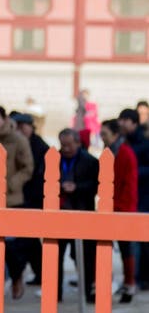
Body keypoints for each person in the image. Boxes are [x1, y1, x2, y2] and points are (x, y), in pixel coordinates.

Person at [0, 105, 34, 296]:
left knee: (11, 247)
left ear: (4, 120)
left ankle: (17, 276)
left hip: (12, 199)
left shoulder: (18, 140)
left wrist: (11, 183)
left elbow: (27, 167)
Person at [5, 113, 49, 294]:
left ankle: (32, 274)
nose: (22, 129)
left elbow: (38, 175)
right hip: (17, 198)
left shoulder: (40, 147)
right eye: (18, 125)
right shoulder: (14, 143)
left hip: (34, 198)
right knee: (25, 241)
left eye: (25, 126)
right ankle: (35, 274)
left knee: (26, 241)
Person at [57, 129, 99, 303]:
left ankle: (90, 289)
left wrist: (77, 187)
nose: (65, 149)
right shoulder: (54, 159)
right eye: (63, 145)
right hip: (60, 214)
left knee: (86, 255)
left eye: (69, 145)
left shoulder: (90, 161)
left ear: (78, 143)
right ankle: (55, 293)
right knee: (56, 254)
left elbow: (95, 185)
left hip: (83, 211)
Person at [100, 119, 138, 303]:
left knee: (125, 248)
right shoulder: (109, 151)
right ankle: (109, 282)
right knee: (105, 247)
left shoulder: (125, 154)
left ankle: (129, 283)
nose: (102, 137)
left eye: (105, 134)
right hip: (110, 207)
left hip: (122, 209)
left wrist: (121, 209)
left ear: (115, 134)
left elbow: (129, 186)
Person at [118, 108, 149, 290]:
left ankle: (139, 278)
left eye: (126, 120)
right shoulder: (123, 143)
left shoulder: (144, 144)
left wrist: (132, 174)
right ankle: (133, 278)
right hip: (130, 197)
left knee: (140, 242)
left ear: (134, 123)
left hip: (143, 196)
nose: (122, 123)